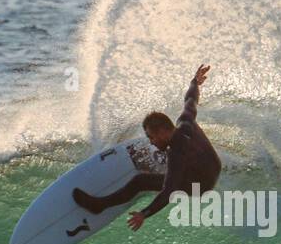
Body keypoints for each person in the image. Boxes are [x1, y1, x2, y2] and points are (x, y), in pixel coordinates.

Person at [72, 64, 222, 230]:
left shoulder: (176, 152)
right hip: (213, 166)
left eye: (152, 137)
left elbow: (168, 191)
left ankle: (99, 206)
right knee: (163, 162)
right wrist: (195, 82)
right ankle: (151, 166)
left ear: (164, 131)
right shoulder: (184, 122)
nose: (151, 141)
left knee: (140, 181)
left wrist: (144, 214)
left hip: (201, 185)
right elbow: (190, 100)